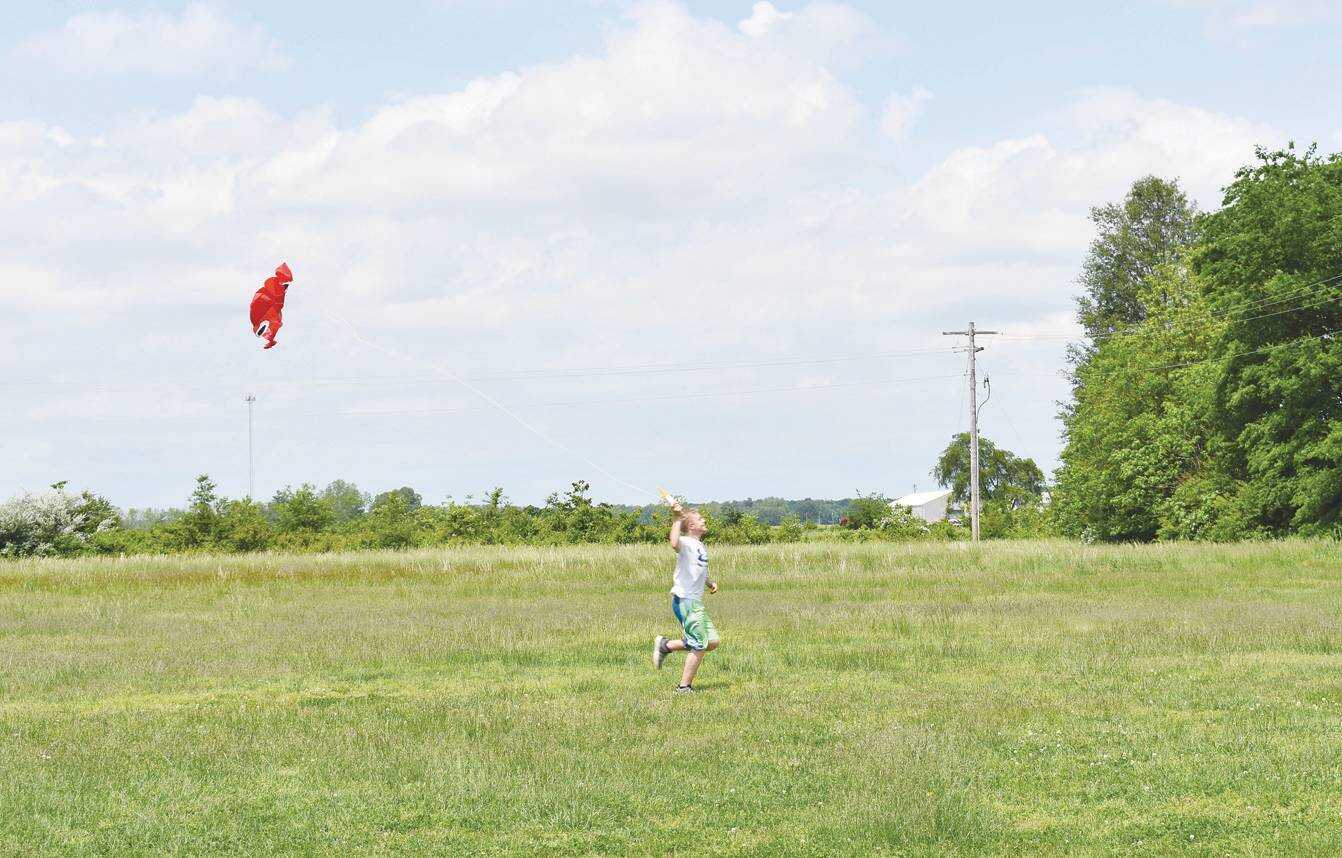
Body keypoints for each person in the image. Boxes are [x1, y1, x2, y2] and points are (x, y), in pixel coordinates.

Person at [652, 501, 719, 693]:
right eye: (700, 519)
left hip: (695, 602)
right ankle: (683, 687)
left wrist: (709, 582)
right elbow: (674, 542)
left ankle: (667, 646)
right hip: (685, 601)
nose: (703, 520)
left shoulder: (699, 545)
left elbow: (698, 570)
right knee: (699, 644)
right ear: (691, 526)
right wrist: (676, 518)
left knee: (712, 642)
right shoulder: (687, 542)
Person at [250, 262, 294, 349]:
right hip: (266, 303)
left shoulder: (281, 286)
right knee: (273, 317)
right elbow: (275, 297)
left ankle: (263, 329)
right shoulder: (273, 283)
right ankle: (262, 327)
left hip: (269, 305)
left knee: (275, 320)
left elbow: (279, 299)